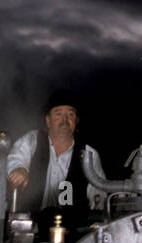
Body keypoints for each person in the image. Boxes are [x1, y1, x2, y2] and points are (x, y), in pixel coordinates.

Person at [7, 89, 94, 234]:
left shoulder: (88, 154)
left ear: (76, 121)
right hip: (29, 232)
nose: (65, 120)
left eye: (70, 115)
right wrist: (19, 170)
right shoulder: (32, 140)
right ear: (48, 120)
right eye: (58, 114)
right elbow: (15, 159)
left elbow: (98, 196)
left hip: (71, 234)